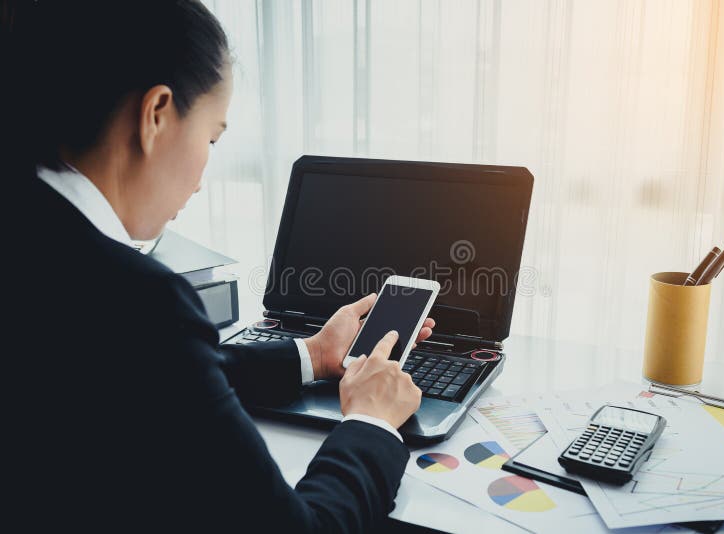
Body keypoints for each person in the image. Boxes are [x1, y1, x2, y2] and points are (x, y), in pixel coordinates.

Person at [4, 1, 433, 531]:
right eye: (211, 137)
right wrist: (371, 423)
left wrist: (312, 355)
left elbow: (144, 378)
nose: (204, 176)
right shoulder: (139, 301)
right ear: (156, 114)